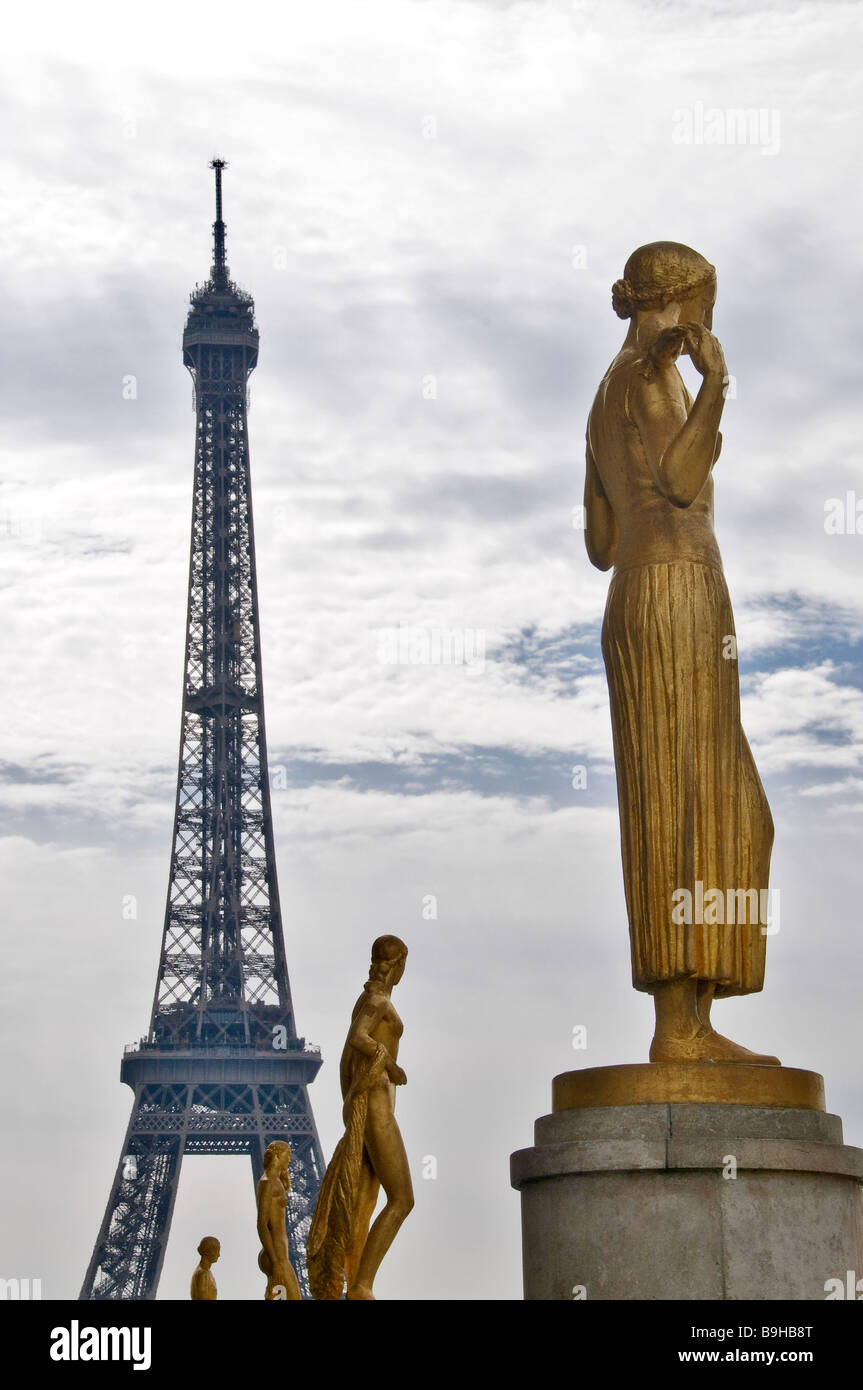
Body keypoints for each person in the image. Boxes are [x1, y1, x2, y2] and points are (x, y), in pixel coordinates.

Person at [584, 240, 778, 1065]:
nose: (707, 321)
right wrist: (717, 388)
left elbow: (597, 541)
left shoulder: (607, 391)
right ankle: (679, 1027)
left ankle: (690, 1017)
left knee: (715, 804)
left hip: (644, 592)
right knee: (690, 797)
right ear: (681, 302)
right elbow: (678, 479)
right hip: (675, 594)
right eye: (705, 305)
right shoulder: (648, 380)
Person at [308, 935, 414, 1299]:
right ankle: (362, 1285)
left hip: (367, 1106)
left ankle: (356, 1280)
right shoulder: (377, 1001)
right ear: (398, 965)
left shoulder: (367, 999)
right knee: (402, 1199)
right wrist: (390, 1065)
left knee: (363, 1203)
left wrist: (349, 1101)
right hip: (377, 1108)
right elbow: (357, 1038)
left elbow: (343, 1061)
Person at [256, 1140, 301, 1299]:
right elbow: (262, 1225)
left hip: (279, 1254)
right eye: (287, 1154)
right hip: (275, 1255)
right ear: (277, 1155)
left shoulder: (275, 1181)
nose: (290, 1159)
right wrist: (275, 1263)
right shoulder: (268, 1183)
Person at [190, 1235, 220, 1300]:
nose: (219, 1255)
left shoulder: (207, 1272)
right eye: (217, 1251)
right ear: (209, 1251)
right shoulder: (203, 1274)